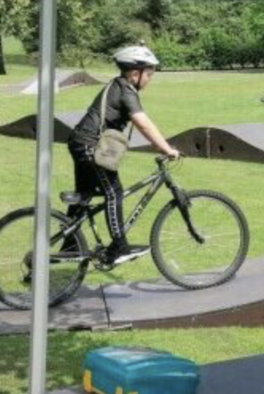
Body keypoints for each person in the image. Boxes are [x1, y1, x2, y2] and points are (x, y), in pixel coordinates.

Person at [66, 45, 180, 265]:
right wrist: (166, 148)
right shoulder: (126, 90)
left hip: (82, 143)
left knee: (85, 196)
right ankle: (119, 247)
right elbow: (143, 123)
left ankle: (70, 247)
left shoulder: (119, 86)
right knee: (114, 192)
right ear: (135, 73)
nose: (150, 79)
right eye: (149, 73)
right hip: (90, 146)